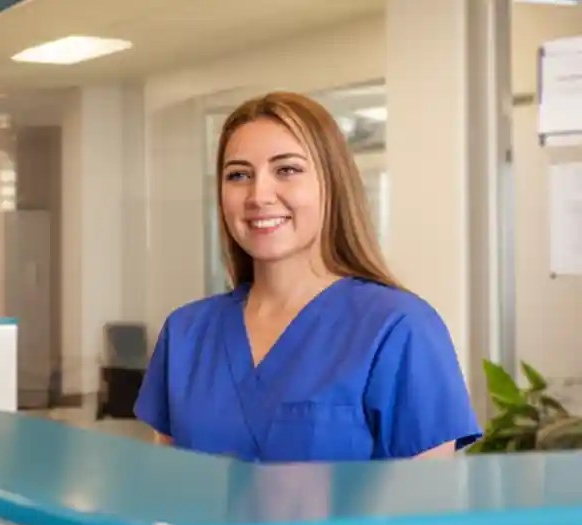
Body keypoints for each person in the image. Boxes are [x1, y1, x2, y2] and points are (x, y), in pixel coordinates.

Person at [135, 92, 481, 463]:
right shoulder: (187, 333)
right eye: (238, 175)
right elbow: (168, 493)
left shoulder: (398, 328)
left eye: (287, 170)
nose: (258, 194)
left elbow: (423, 508)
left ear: (331, 184)